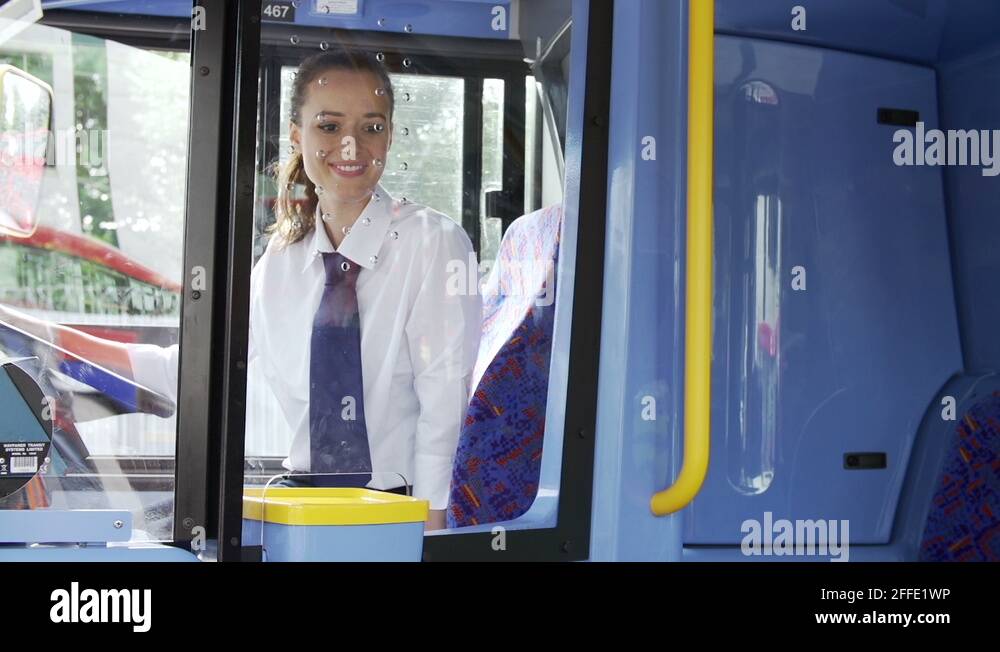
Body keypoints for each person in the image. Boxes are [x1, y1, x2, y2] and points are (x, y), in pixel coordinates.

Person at [0, 50, 482, 530]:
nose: (351, 146)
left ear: (390, 136)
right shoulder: (281, 261)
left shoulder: (432, 242)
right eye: (329, 127)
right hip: (306, 508)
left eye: (371, 128)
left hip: (395, 509)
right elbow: (192, 373)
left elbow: (444, 401)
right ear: (298, 136)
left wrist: (430, 532)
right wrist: (35, 332)